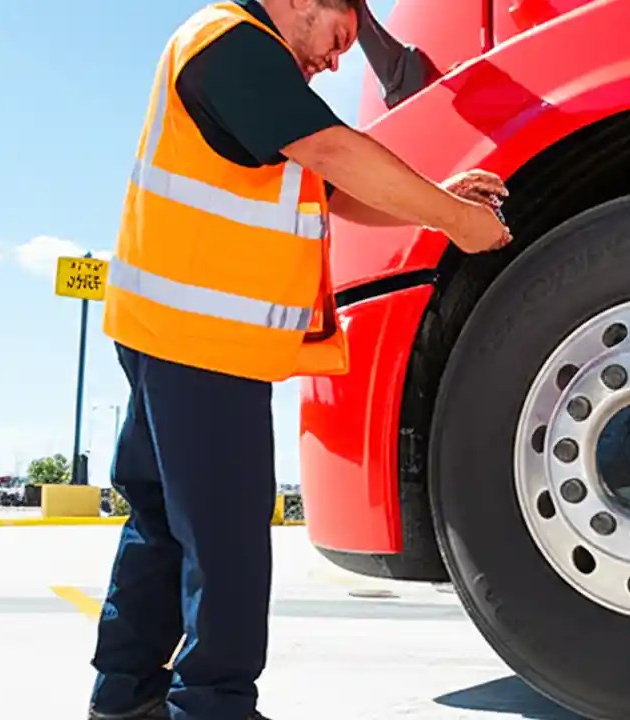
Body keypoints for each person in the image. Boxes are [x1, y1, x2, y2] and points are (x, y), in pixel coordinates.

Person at [87, 1, 511, 719]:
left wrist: (437, 201)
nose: (337, 60)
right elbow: (337, 154)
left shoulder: (241, 66)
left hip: (173, 332)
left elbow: (339, 189)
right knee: (227, 539)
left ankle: (126, 695)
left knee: (163, 523)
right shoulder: (233, 44)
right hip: (202, 339)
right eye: (340, 36)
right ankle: (214, 705)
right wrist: (455, 222)